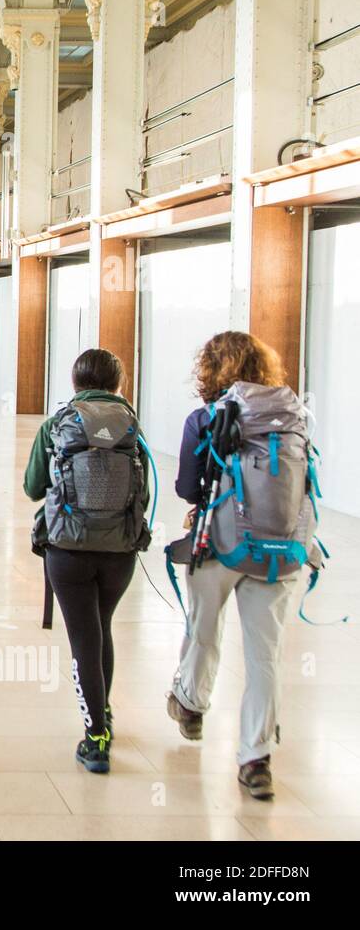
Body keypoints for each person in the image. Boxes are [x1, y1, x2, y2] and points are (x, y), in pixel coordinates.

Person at [166, 332, 310, 800]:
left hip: (221, 542)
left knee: (204, 626)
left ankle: (190, 702)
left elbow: (188, 487)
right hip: (282, 551)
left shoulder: (206, 416)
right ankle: (256, 758)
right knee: (265, 655)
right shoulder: (294, 416)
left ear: (210, 369)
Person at [24, 349, 148, 775]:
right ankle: (104, 712)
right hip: (120, 550)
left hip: (68, 549)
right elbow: (143, 490)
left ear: (75, 382)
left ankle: (96, 737)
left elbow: (32, 488)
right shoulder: (132, 425)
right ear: (118, 384)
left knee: (83, 639)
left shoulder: (57, 423)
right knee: (101, 627)